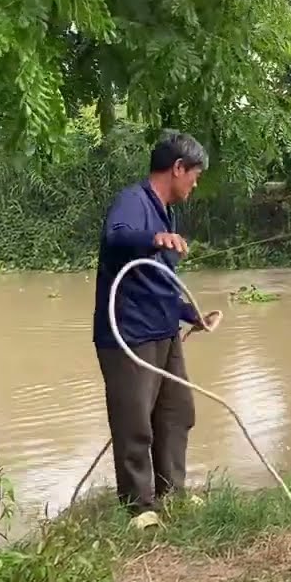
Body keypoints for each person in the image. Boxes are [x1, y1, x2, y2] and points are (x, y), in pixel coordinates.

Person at [92, 130, 220, 528]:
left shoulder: (167, 212)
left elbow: (157, 279)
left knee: (177, 413)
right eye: (194, 175)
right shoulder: (133, 201)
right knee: (134, 423)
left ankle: (172, 494)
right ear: (178, 168)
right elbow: (117, 238)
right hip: (129, 335)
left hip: (163, 331)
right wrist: (154, 237)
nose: (195, 183)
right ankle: (139, 508)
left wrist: (190, 314)